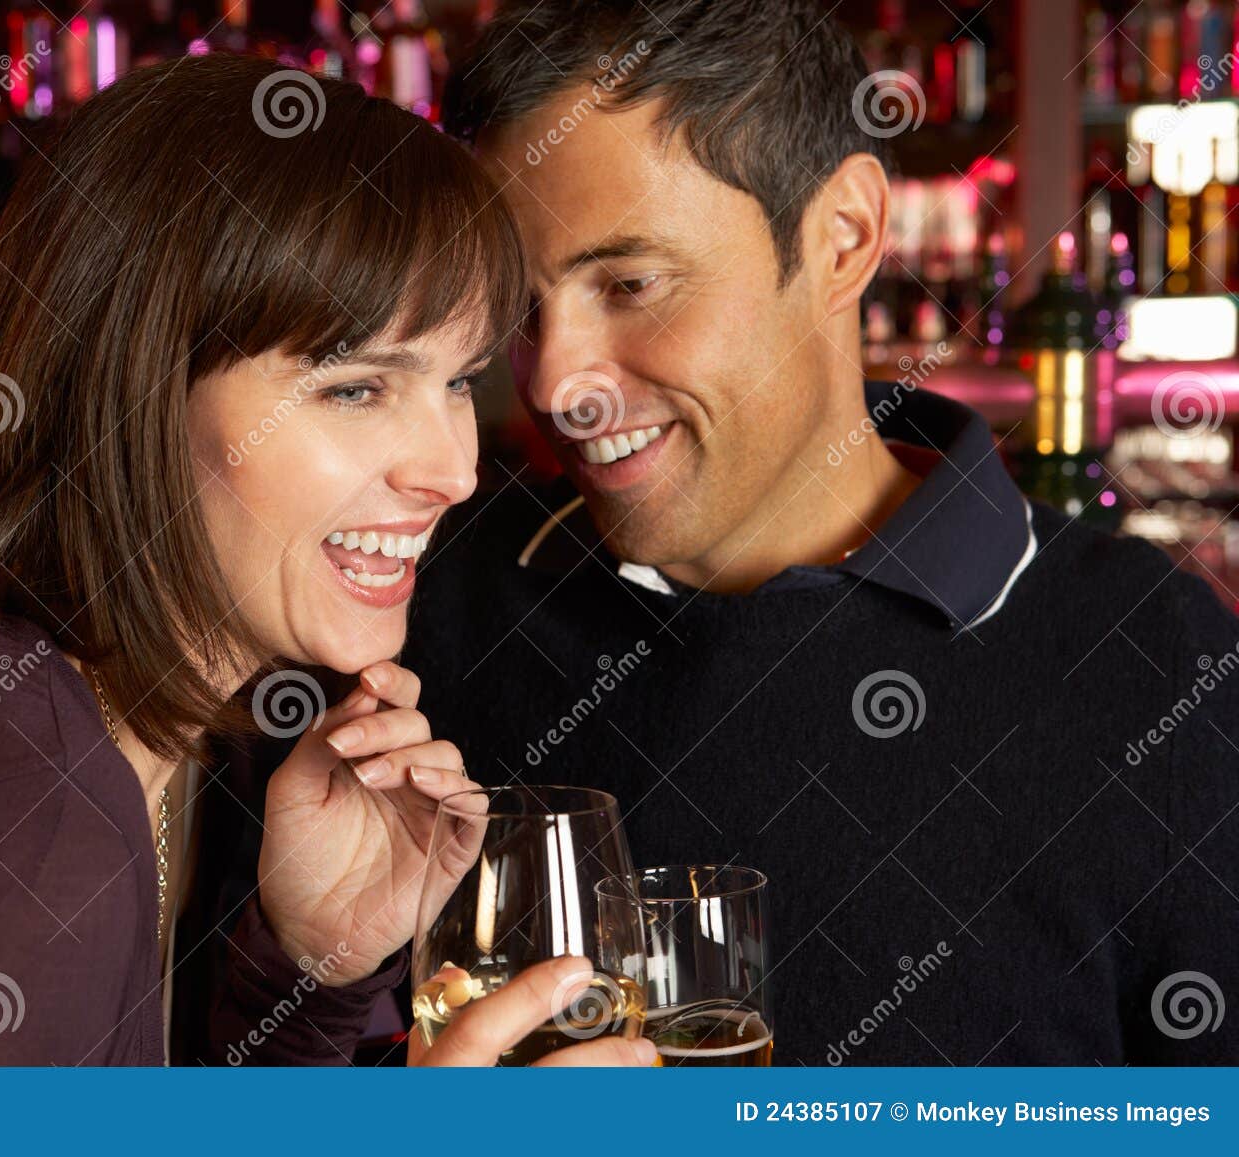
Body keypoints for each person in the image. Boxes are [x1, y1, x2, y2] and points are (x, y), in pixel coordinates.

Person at [0, 54, 656, 1069]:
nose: (453, 469)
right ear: (134, 397)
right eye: (357, 388)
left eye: (458, 382)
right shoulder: (22, 839)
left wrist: (308, 971)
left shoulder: (132, 733)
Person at [396, 0, 1239, 1064]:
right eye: (520, 305)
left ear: (841, 236)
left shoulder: (1153, 662)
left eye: (629, 283)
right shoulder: (426, 599)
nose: (556, 381)